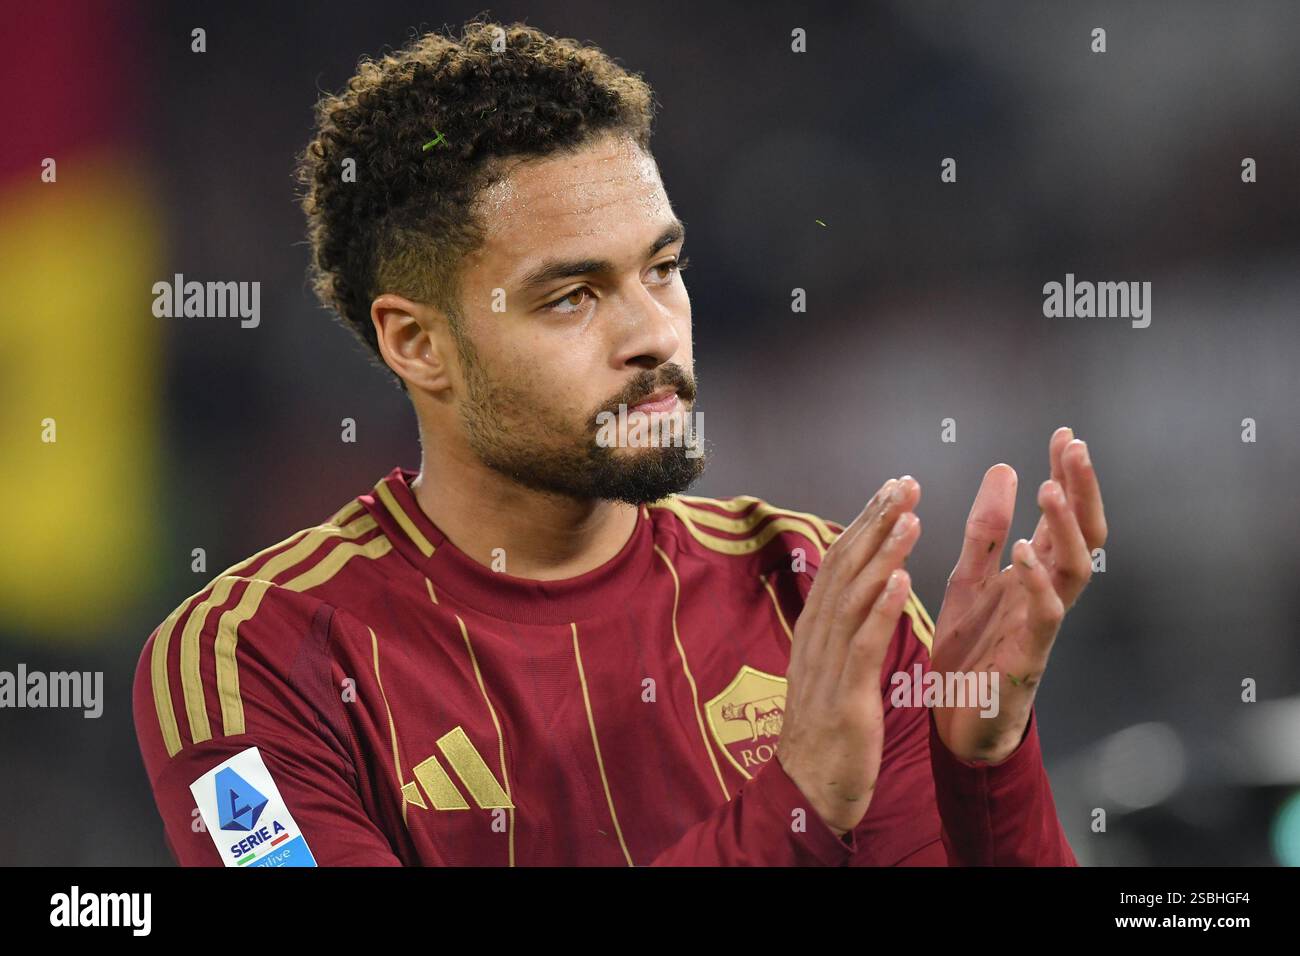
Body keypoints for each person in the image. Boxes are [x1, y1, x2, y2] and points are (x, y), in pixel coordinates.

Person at [133, 18, 1106, 866]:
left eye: (662, 269)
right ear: (418, 343)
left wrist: (984, 764)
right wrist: (794, 802)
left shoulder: (813, 588)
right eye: (572, 295)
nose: (652, 331)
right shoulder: (249, 657)